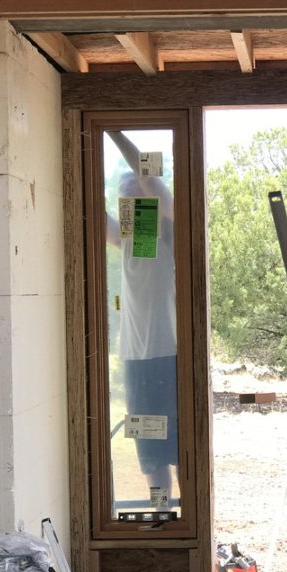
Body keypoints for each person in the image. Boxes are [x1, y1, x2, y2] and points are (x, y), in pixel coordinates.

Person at [105, 131, 178, 493]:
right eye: (122, 190)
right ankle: (164, 515)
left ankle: (193, 518)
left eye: (133, 185)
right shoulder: (131, 239)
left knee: (181, 450)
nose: (127, 189)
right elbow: (91, 211)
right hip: (135, 363)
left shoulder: (168, 231)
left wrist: (112, 129)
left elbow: (151, 177)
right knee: (150, 454)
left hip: (169, 359)